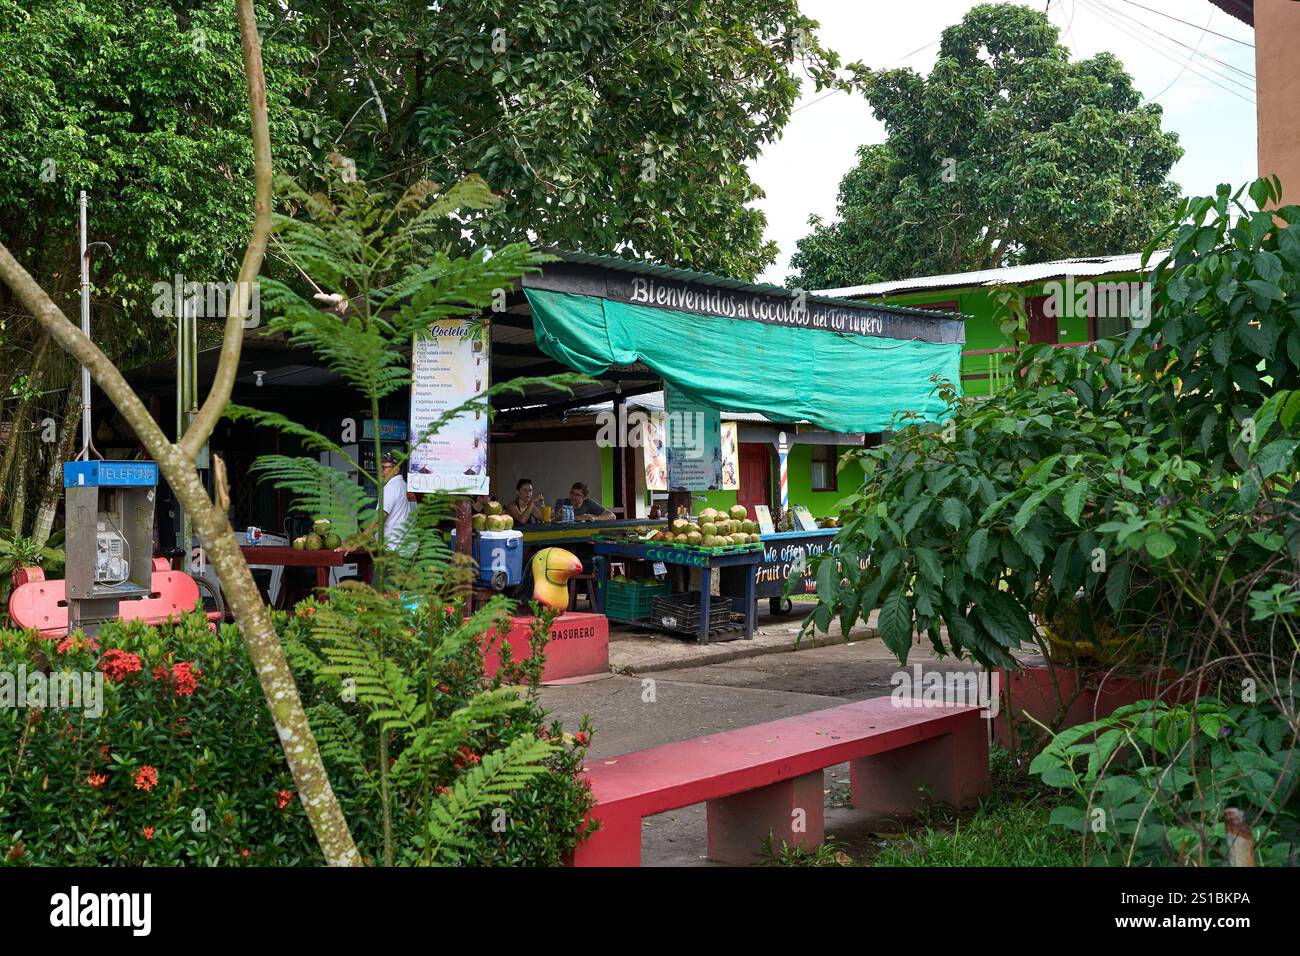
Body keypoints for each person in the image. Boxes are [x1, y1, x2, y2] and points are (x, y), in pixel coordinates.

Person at [380, 451, 413, 549]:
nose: (381, 473)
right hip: (409, 548)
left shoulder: (390, 488)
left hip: (394, 549)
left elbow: (379, 520)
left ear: (396, 470)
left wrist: (358, 541)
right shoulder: (407, 487)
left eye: (384, 468)